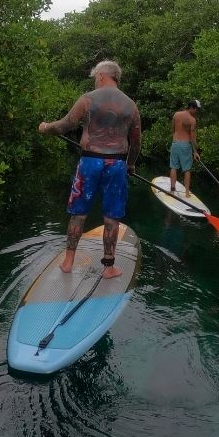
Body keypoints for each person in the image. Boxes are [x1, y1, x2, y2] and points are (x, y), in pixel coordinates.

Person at [38, 60, 141, 278]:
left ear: (103, 75)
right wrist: (130, 165)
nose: (95, 80)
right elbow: (136, 142)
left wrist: (46, 127)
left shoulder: (88, 99)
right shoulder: (131, 105)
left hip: (90, 162)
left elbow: (65, 125)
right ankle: (109, 267)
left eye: (96, 77)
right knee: (111, 217)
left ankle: (68, 261)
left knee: (79, 214)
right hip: (117, 165)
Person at [169, 99, 202, 198]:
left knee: (173, 167)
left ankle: (172, 191)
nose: (197, 111)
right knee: (187, 170)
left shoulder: (176, 115)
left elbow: (173, 129)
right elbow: (192, 137)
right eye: (196, 109)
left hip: (175, 144)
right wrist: (195, 152)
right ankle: (187, 193)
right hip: (185, 146)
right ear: (191, 107)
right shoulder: (192, 120)